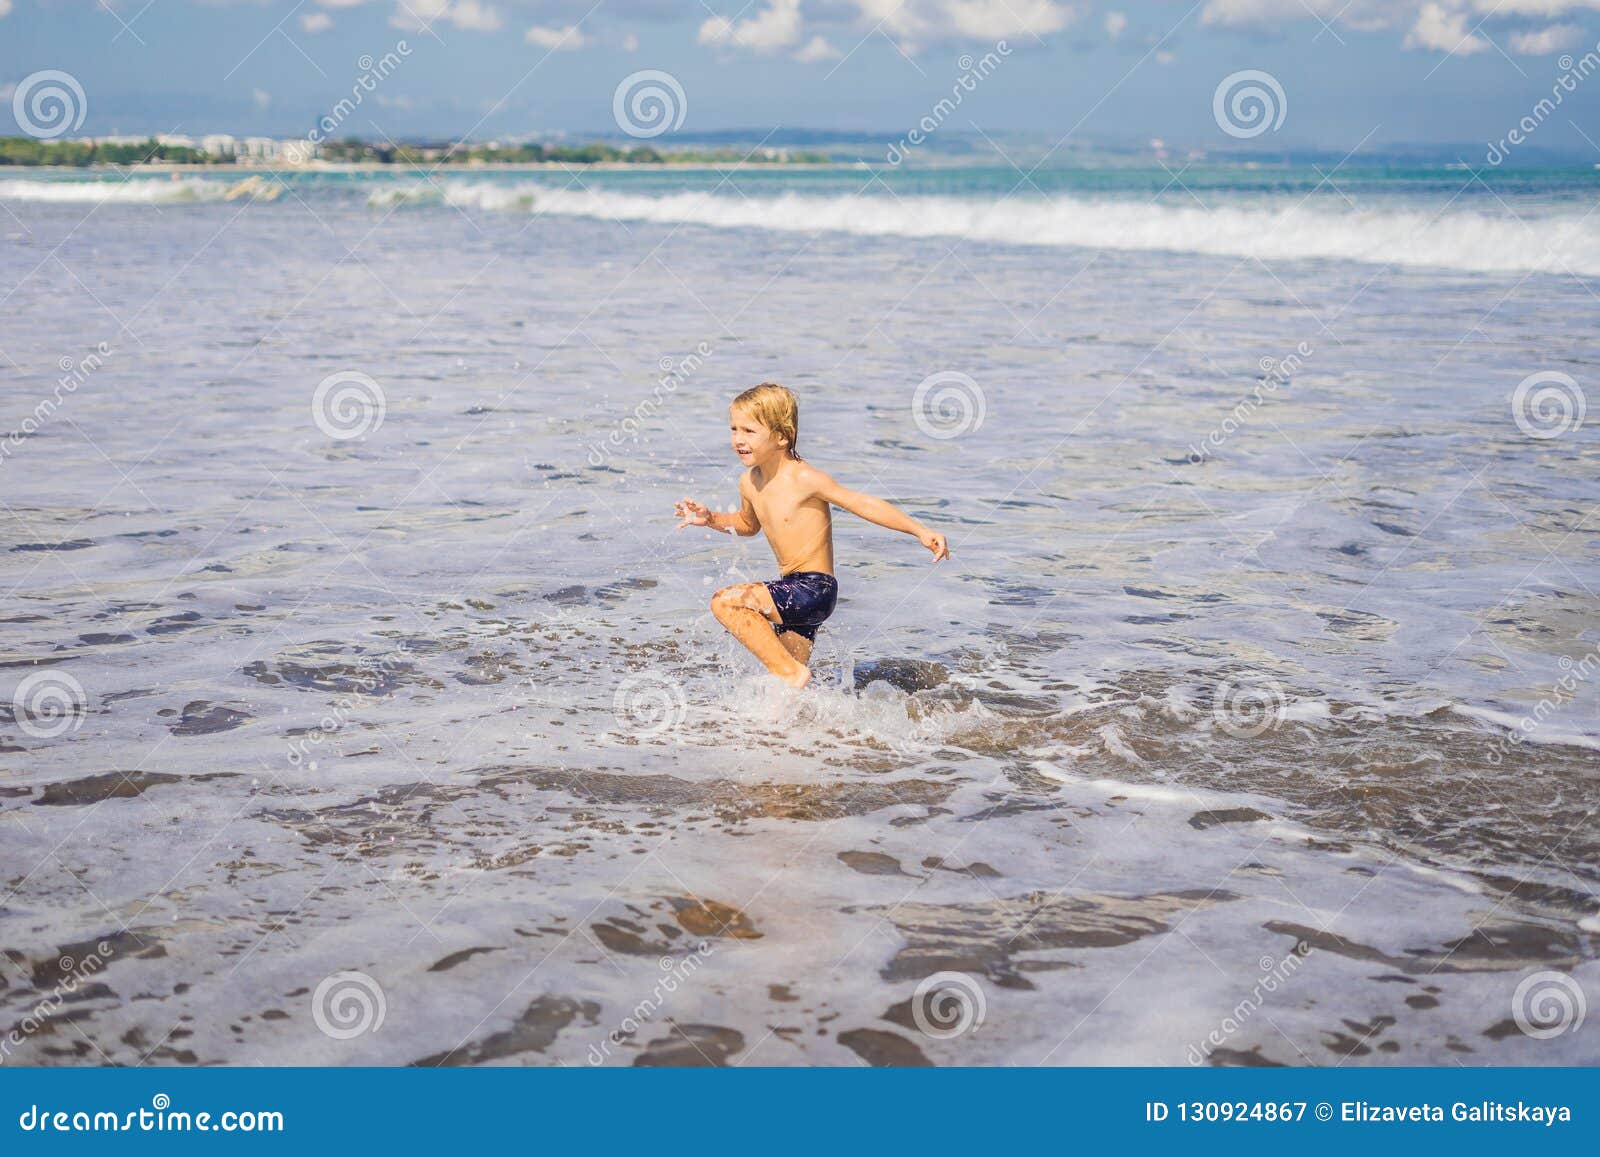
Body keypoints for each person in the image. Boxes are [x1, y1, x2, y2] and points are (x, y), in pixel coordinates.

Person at [675, 383, 949, 688]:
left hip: (813, 589)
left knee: (725, 603)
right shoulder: (749, 482)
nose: (738, 439)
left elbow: (862, 503)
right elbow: (747, 524)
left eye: (749, 431)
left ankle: (793, 675)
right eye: (734, 429)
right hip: (794, 593)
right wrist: (710, 518)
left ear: (782, 435)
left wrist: (919, 530)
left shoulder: (804, 478)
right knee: (787, 690)